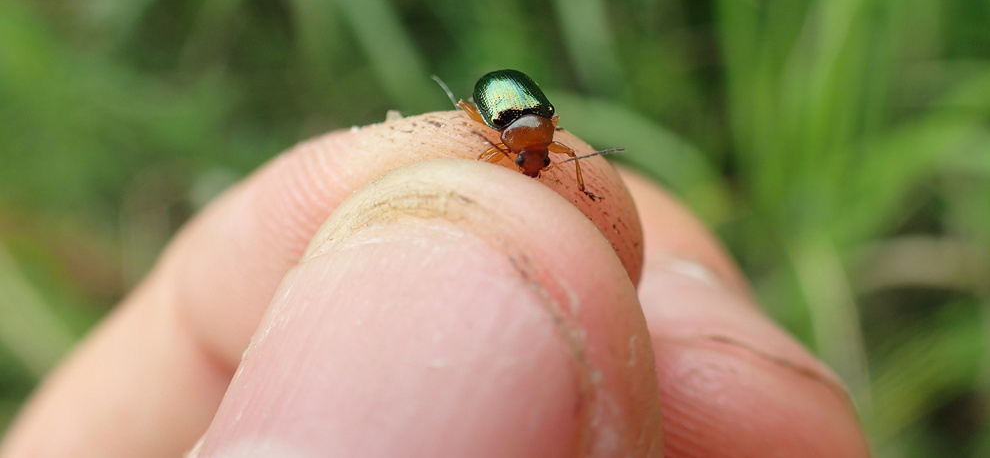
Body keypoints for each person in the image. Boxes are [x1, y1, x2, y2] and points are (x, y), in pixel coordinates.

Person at [1, 111, 871, 457]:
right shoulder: (515, 139)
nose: (529, 166)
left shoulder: (544, 147)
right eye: (525, 155)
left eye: (532, 158)